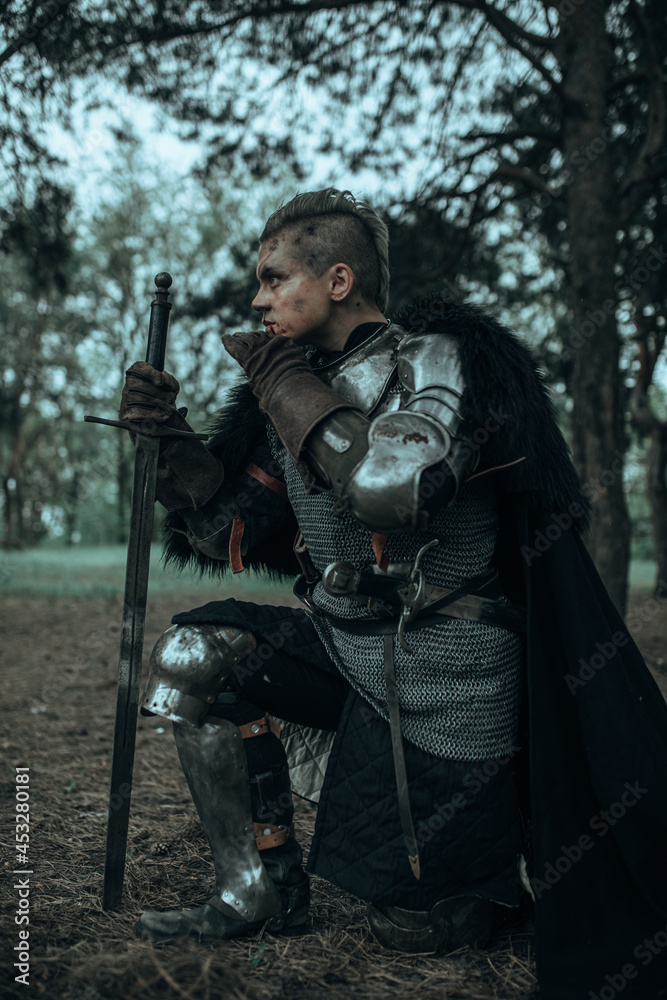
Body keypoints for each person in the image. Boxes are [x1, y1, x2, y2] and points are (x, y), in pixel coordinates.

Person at [120, 188, 667, 999]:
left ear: (338, 279)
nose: (256, 299)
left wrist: (283, 384)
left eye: (274, 280)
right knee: (194, 654)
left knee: (419, 929)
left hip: (448, 668)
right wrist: (173, 456)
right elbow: (225, 528)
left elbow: (389, 489)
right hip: (342, 642)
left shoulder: (439, 357)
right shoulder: (283, 388)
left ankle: (487, 859)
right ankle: (256, 887)